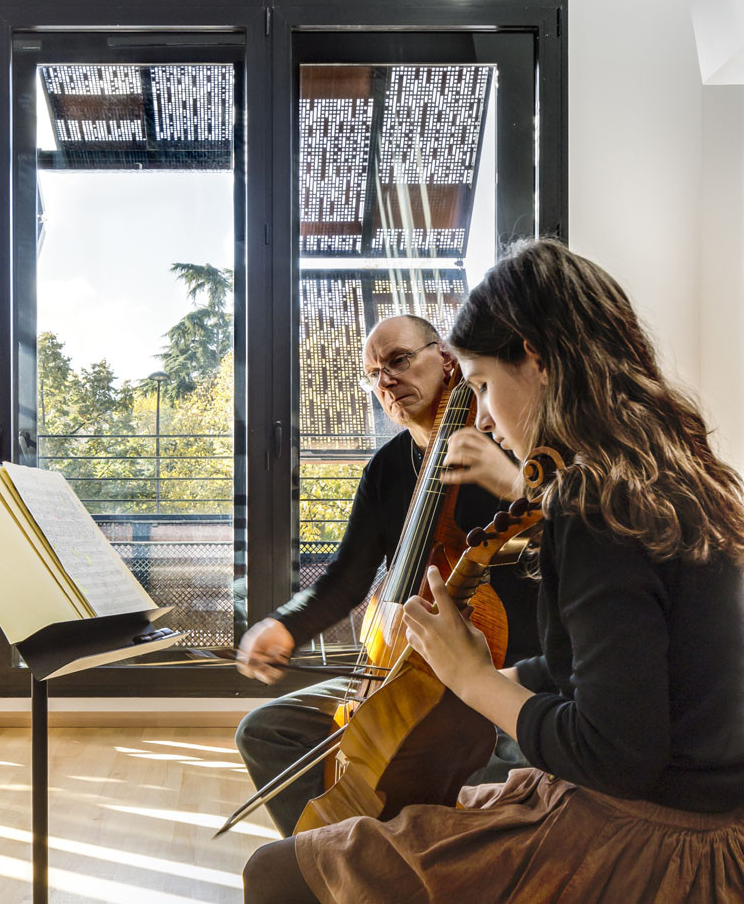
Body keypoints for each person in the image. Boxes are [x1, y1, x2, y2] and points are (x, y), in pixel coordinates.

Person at [243, 239, 744, 903]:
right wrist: (466, 677)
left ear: (533, 357)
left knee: (274, 876)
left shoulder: (593, 503)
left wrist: (474, 677)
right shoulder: (667, 473)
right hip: (696, 804)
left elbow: (618, 752)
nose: (482, 413)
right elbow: (613, 665)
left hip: (656, 836)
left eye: (480, 383)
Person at [234, 313, 540, 837]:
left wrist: (516, 483)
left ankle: (405, 858)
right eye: (373, 374)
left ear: (446, 359)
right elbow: (348, 577)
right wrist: (284, 625)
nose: (386, 381)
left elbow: (570, 538)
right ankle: (337, 862)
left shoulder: (508, 439)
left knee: (483, 771)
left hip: (500, 679)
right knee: (267, 731)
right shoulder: (386, 469)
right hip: (394, 674)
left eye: (398, 361)